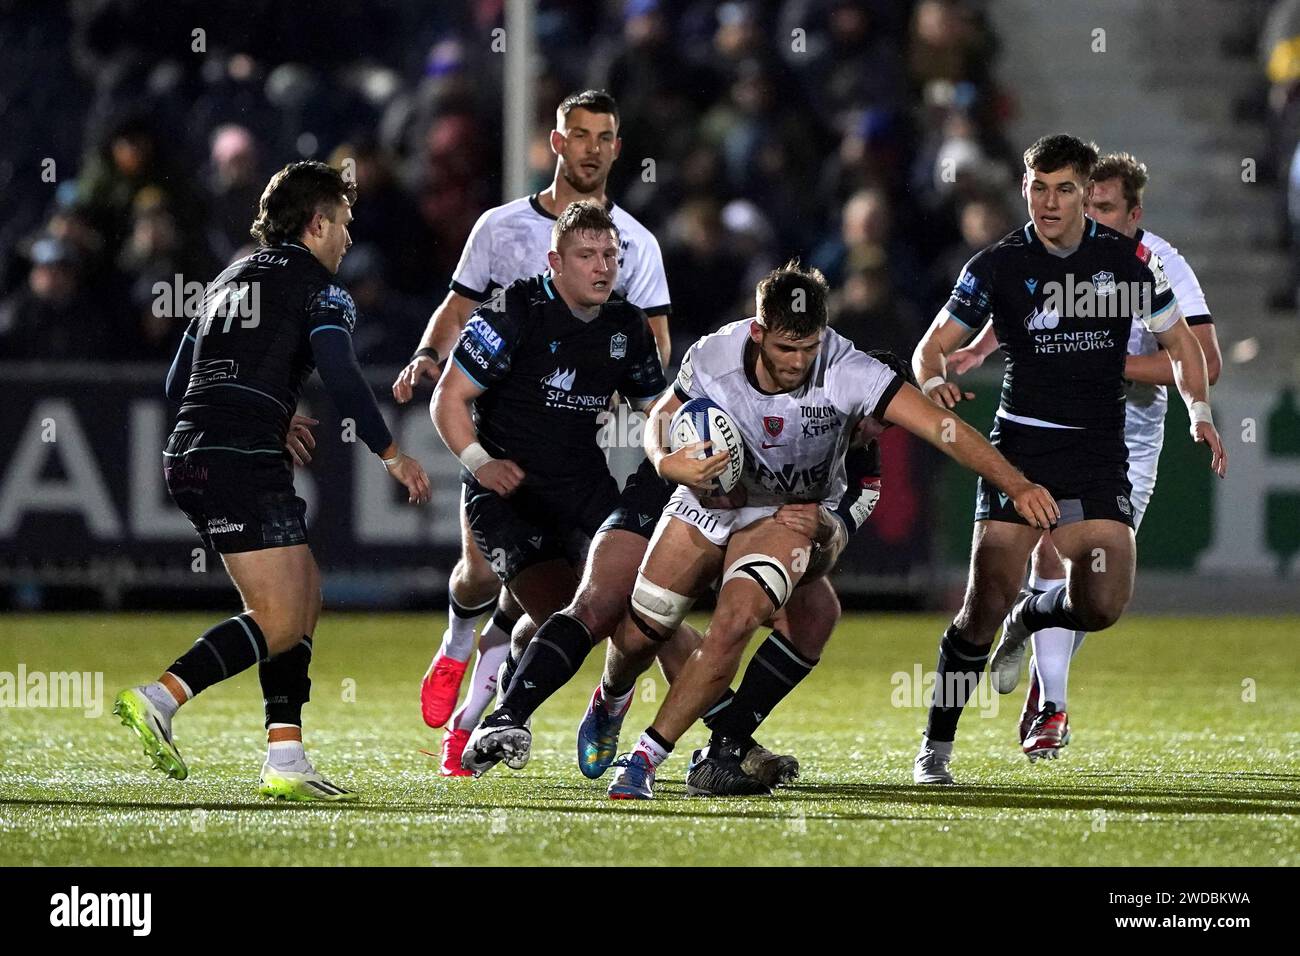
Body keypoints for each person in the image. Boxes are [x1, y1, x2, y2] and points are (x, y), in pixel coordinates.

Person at [472, 259, 1055, 800]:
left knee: (735, 620)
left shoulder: (850, 370)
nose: (799, 360)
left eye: (808, 346)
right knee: (641, 630)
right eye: (785, 347)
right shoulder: (715, 355)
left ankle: (647, 759)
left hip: (779, 514)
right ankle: (612, 696)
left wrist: (1017, 483)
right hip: (709, 496)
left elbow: (943, 430)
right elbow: (663, 418)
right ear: (757, 332)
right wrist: (666, 460)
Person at [911, 135, 1227, 784]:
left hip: (1096, 454)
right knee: (980, 608)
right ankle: (935, 747)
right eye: (1037, 187)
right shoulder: (996, 265)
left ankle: (1036, 613)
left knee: (1103, 605)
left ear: (1086, 192)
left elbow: (1182, 347)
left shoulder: (1131, 263)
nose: (1049, 201)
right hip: (1020, 455)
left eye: (1063, 188)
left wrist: (1198, 413)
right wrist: (934, 375)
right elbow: (930, 346)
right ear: (1024, 189)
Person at [112, 161, 431, 801]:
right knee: (281, 617)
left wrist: (266, 411)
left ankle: (285, 754)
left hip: (201, 450)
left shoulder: (230, 277)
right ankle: (162, 696)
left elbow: (180, 385)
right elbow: (341, 376)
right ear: (316, 223)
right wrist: (392, 452)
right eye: (341, 223)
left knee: (303, 593)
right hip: (238, 457)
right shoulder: (321, 289)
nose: (346, 238)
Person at [389, 91, 672, 774]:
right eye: (581, 135)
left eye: (606, 137)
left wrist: (638, 400)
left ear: (617, 148)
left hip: (580, 445)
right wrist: (430, 358)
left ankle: (490, 723)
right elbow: (458, 308)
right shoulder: (501, 227)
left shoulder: (634, 243)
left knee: (582, 604)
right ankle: (460, 648)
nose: (593, 148)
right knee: (485, 575)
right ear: (556, 142)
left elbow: (654, 345)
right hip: (506, 436)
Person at [433, 201, 667, 775]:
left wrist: (682, 451)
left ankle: (535, 705)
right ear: (555, 261)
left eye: (611, 254)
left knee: (648, 605)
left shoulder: (626, 325)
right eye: (587, 255)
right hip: (508, 499)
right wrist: (479, 462)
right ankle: (495, 699)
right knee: (578, 612)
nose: (602, 266)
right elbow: (448, 400)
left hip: (584, 490)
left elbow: (655, 410)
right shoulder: (513, 311)